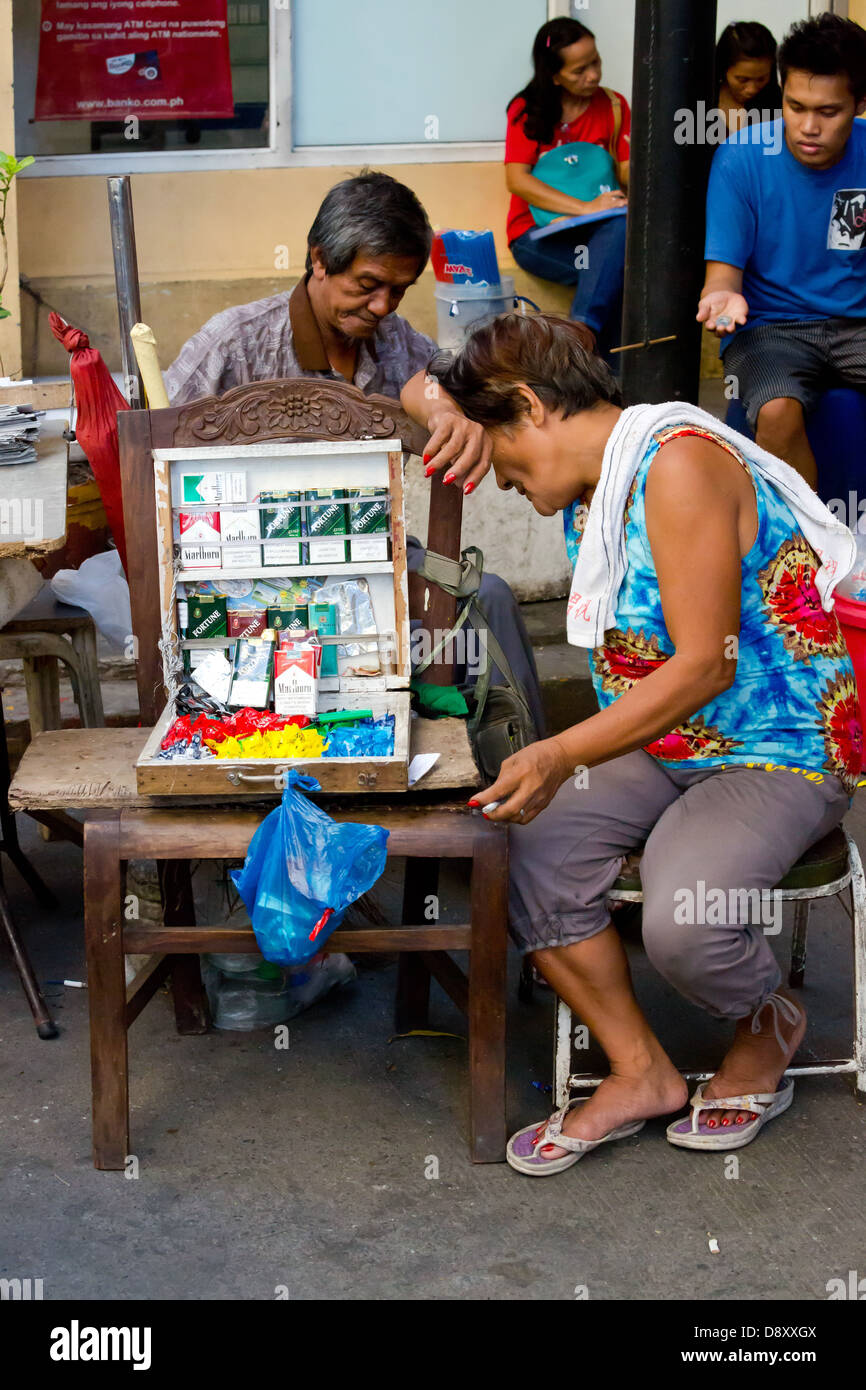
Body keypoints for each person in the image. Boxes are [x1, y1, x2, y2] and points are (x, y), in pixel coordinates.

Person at [428, 312, 860, 1175]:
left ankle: (767, 1020)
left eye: (500, 457)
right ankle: (641, 1069)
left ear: (529, 405)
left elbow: (702, 665)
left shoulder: (680, 467)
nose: (501, 483)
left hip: (773, 747)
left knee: (684, 919)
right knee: (519, 848)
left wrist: (559, 752)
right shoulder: (601, 481)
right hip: (673, 745)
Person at [164, 170, 544, 733]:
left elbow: (431, 378)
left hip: (369, 556)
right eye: (367, 284)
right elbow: (153, 448)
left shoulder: (391, 341)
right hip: (243, 575)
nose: (382, 305)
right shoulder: (234, 345)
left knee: (488, 597)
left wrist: (442, 409)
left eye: (399, 290)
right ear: (319, 258)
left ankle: (523, 764)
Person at [698, 12, 866, 489]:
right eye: (795, 106)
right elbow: (723, 276)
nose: (808, 126)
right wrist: (722, 297)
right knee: (776, 411)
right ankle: (820, 553)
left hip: (857, 327)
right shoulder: (742, 157)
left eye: (828, 112)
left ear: (859, 104)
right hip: (772, 328)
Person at [504, 16, 629, 355]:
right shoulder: (526, 110)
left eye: (596, 62)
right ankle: (591, 349)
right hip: (536, 237)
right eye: (579, 71)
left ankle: (581, 342)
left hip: (602, 234)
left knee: (617, 249)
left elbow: (630, 171)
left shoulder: (614, 106)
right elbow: (517, 180)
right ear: (554, 75)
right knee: (615, 273)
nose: (593, 75)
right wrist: (587, 208)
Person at [715, 20, 782, 134]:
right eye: (742, 80)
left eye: (761, 79)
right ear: (724, 69)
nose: (752, 89)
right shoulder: (699, 104)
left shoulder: (778, 107)